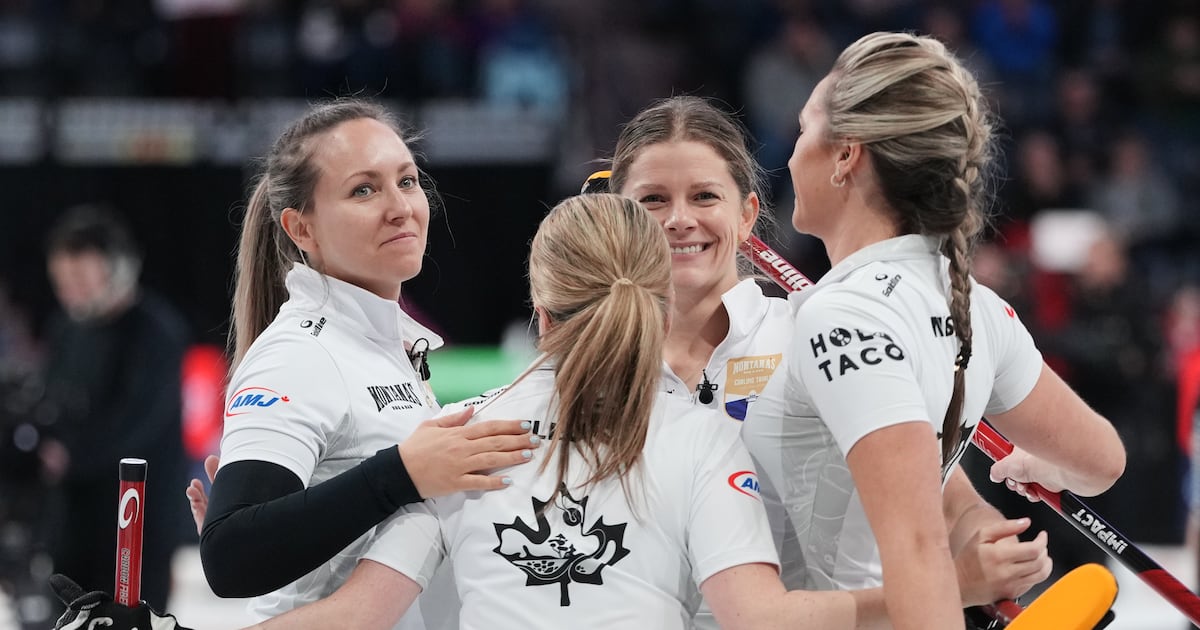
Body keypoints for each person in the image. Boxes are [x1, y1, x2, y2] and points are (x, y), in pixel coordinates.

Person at [246, 193, 888, 630]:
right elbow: (761, 620)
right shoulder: (703, 437)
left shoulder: (457, 440)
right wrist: (935, 590)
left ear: (543, 317)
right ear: (659, 312)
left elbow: (357, 617)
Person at [605, 95, 1051, 628]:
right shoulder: (592, 367)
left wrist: (981, 539)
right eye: (653, 199)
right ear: (616, 219)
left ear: (747, 215)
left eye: (704, 196)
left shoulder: (818, 340)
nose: (679, 220)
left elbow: (945, 502)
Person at [742, 31, 1125, 628]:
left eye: (803, 130)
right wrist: (1038, 465)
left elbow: (918, 554)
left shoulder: (843, 315)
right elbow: (1101, 461)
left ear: (846, 155)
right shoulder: (978, 305)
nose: (790, 156)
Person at [191, 99, 536, 627]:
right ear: (300, 229)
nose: (400, 206)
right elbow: (230, 558)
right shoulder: (299, 355)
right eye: (364, 189)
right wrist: (404, 472)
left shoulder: (377, 341)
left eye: (407, 181)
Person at [39, 205, 191, 612]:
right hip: (74, 521)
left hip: (135, 527)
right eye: (63, 280)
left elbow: (135, 423)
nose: (71, 291)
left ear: (119, 268)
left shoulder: (157, 333)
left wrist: (67, 456)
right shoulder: (66, 329)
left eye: (81, 279)